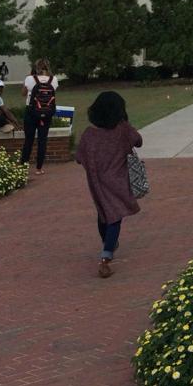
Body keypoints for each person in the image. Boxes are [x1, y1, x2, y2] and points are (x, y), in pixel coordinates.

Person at [75, 90, 143, 279]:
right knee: (115, 217)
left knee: (104, 213)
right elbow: (138, 141)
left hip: (97, 182)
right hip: (118, 180)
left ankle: (108, 242)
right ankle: (106, 258)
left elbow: (79, 158)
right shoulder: (123, 129)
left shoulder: (89, 134)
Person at [21, 59, 59, 174]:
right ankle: (39, 168)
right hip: (46, 113)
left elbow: (23, 93)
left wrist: (29, 76)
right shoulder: (54, 80)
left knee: (29, 139)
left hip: (31, 112)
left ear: (35, 67)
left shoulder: (29, 79)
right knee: (42, 140)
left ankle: (23, 166)